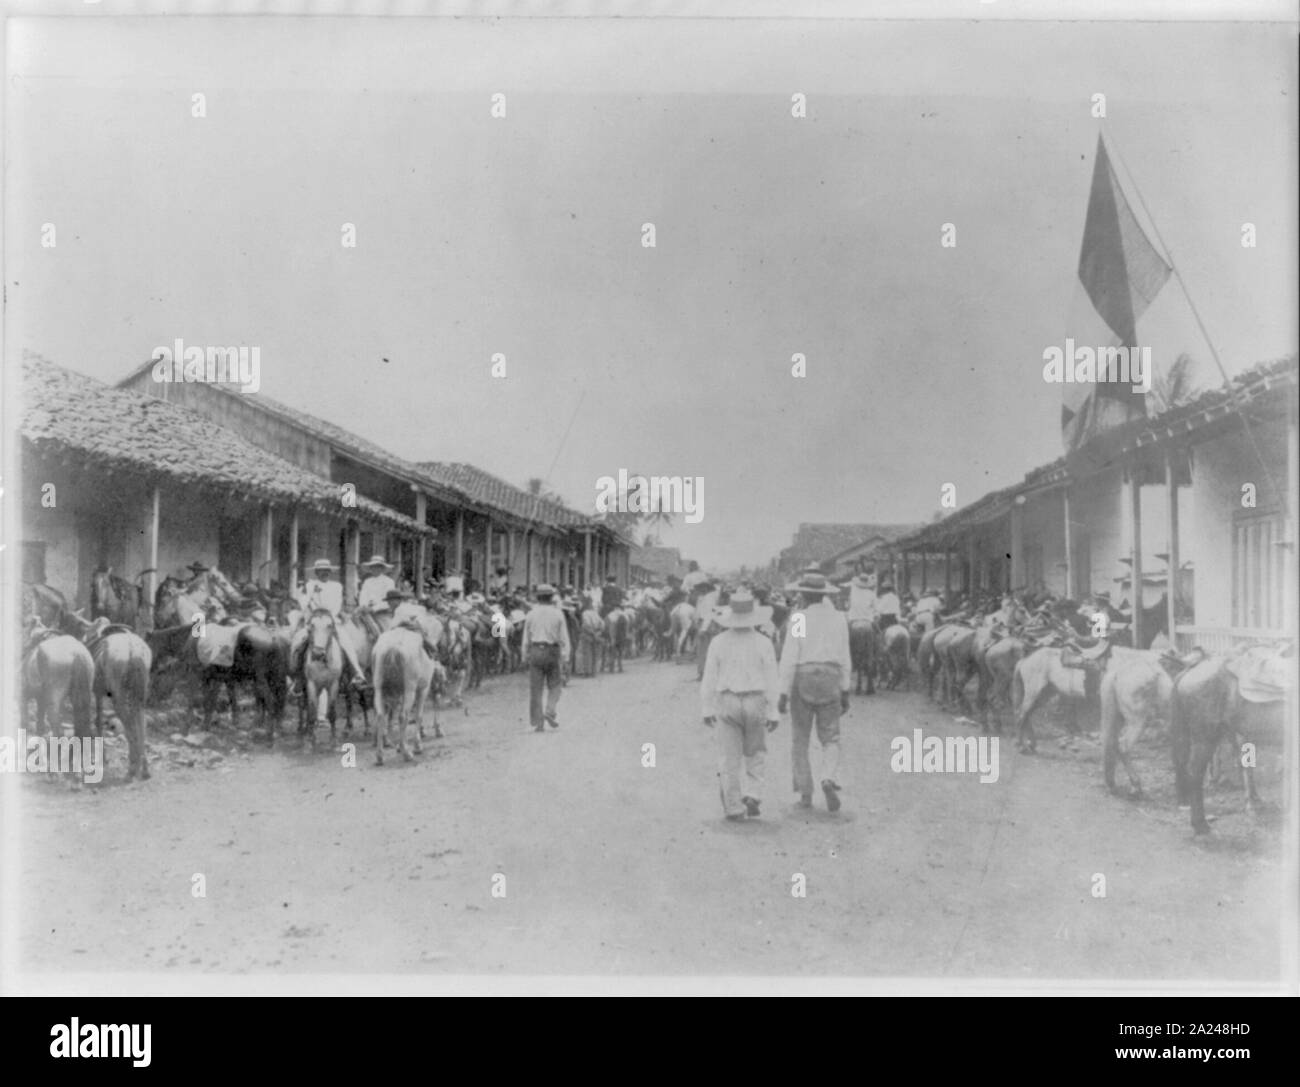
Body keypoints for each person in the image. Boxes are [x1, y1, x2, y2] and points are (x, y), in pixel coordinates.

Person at [701, 589, 780, 821]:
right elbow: (771, 678)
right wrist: (773, 710)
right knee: (755, 752)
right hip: (756, 699)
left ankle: (734, 806)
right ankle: (753, 794)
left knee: (728, 757)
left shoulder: (718, 642)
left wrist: (707, 707)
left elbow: (709, 677)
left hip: (727, 700)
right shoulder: (764, 642)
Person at [778, 572, 851, 812]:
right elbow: (844, 656)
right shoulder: (839, 618)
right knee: (831, 737)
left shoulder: (799, 618)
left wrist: (783, 691)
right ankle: (828, 777)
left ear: (804, 595)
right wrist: (845, 688)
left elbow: (789, 656)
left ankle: (805, 794)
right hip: (830, 676)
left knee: (800, 739)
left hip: (804, 676)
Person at [292, 558, 366, 688]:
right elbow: (304, 603)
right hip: (315, 620)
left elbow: (337, 604)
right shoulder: (310, 585)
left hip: (331, 619)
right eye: (320, 571)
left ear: (330, 572)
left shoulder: (337, 586)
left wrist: (328, 616)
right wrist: (305, 596)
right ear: (316, 572)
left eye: (326, 571)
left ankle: (356, 672)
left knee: (346, 642)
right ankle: (297, 677)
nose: (323, 573)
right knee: (299, 641)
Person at [521, 584, 570, 732]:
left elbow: (526, 638)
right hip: (552, 651)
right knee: (555, 684)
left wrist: (524, 655)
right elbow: (564, 638)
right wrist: (565, 657)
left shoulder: (530, 614)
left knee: (535, 688)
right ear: (552, 598)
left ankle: (538, 722)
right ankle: (550, 711)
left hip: (536, 650)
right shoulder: (558, 614)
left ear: (537, 598)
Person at [357, 555, 397, 638]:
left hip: (382, 613)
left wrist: (374, 608)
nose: (375, 569)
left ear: (382, 568)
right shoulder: (367, 581)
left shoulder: (389, 582)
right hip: (366, 612)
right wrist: (364, 606)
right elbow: (363, 596)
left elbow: (388, 601)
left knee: (387, 635)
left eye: (378, 567)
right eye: (373, 567)